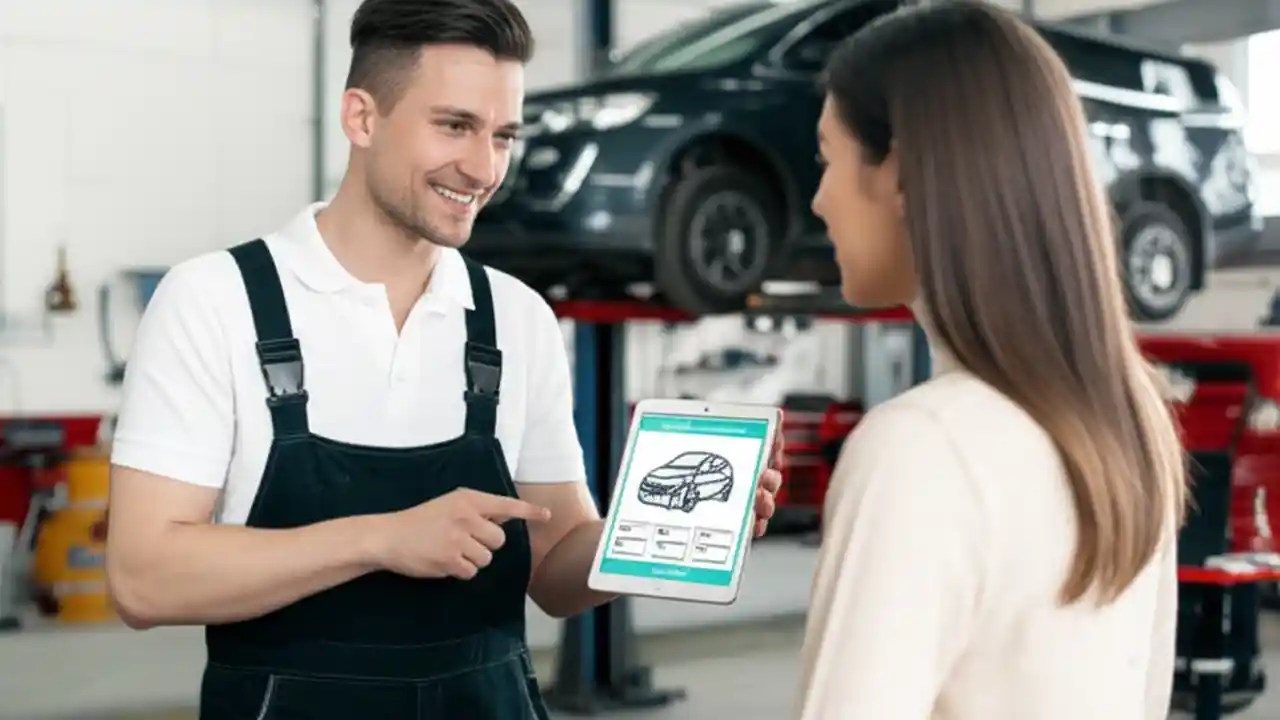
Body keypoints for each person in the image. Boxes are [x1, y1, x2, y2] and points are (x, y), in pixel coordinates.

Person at [102, 1, 783, 717]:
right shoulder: (215, 301)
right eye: (455, 126)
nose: (484, 168)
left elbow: (555, 570)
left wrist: (672, 533)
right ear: (362, 118)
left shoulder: (517, 318)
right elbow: (144, 579)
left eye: (504, 135)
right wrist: (381, 539)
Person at [796, 3, 1186, 719]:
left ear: (901, 175)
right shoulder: (1132, 416)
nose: (819, 199)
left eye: (827, 159)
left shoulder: (919, 446)